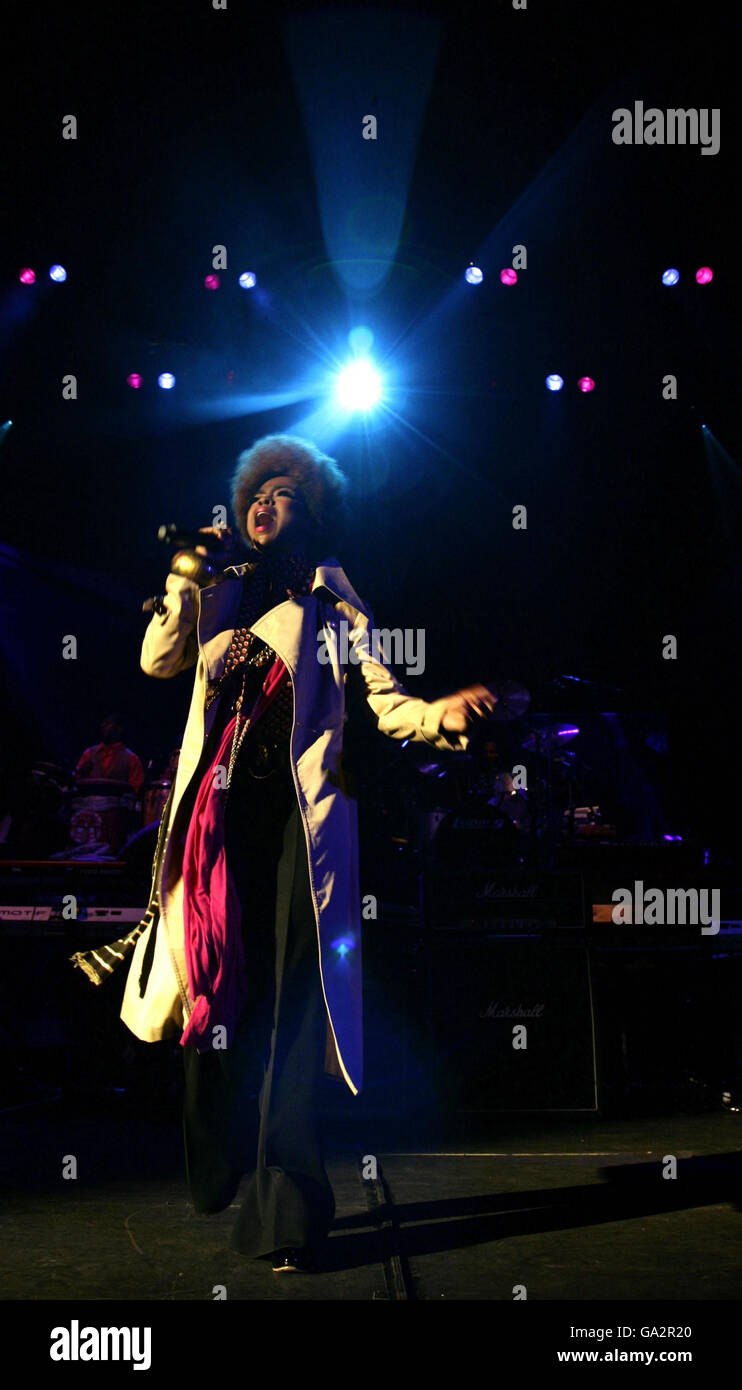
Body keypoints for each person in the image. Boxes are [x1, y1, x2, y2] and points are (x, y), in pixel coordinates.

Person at [120, 433, 498, 1273]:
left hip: (295, 828)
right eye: (257, 491)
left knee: (293, 1012)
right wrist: (184, 578)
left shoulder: (331, 601)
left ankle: (288, 1213)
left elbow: (387, 699)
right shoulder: (215, 589)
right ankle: (217, 1160)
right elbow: (156, 660)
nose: (265, 503)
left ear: (311, 509)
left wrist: (440, 716)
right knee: (212, 1001)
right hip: (214, 830)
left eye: (284, 493)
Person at [75, 715, 145, 795]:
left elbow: (137, 789)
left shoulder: (132, 759)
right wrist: (81, 773)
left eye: (108, 723)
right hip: (88, 804)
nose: (103, 726)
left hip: (118, 805)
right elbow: (76, 781)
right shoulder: (89, 753)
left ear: (119, 728)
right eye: (103, 723)